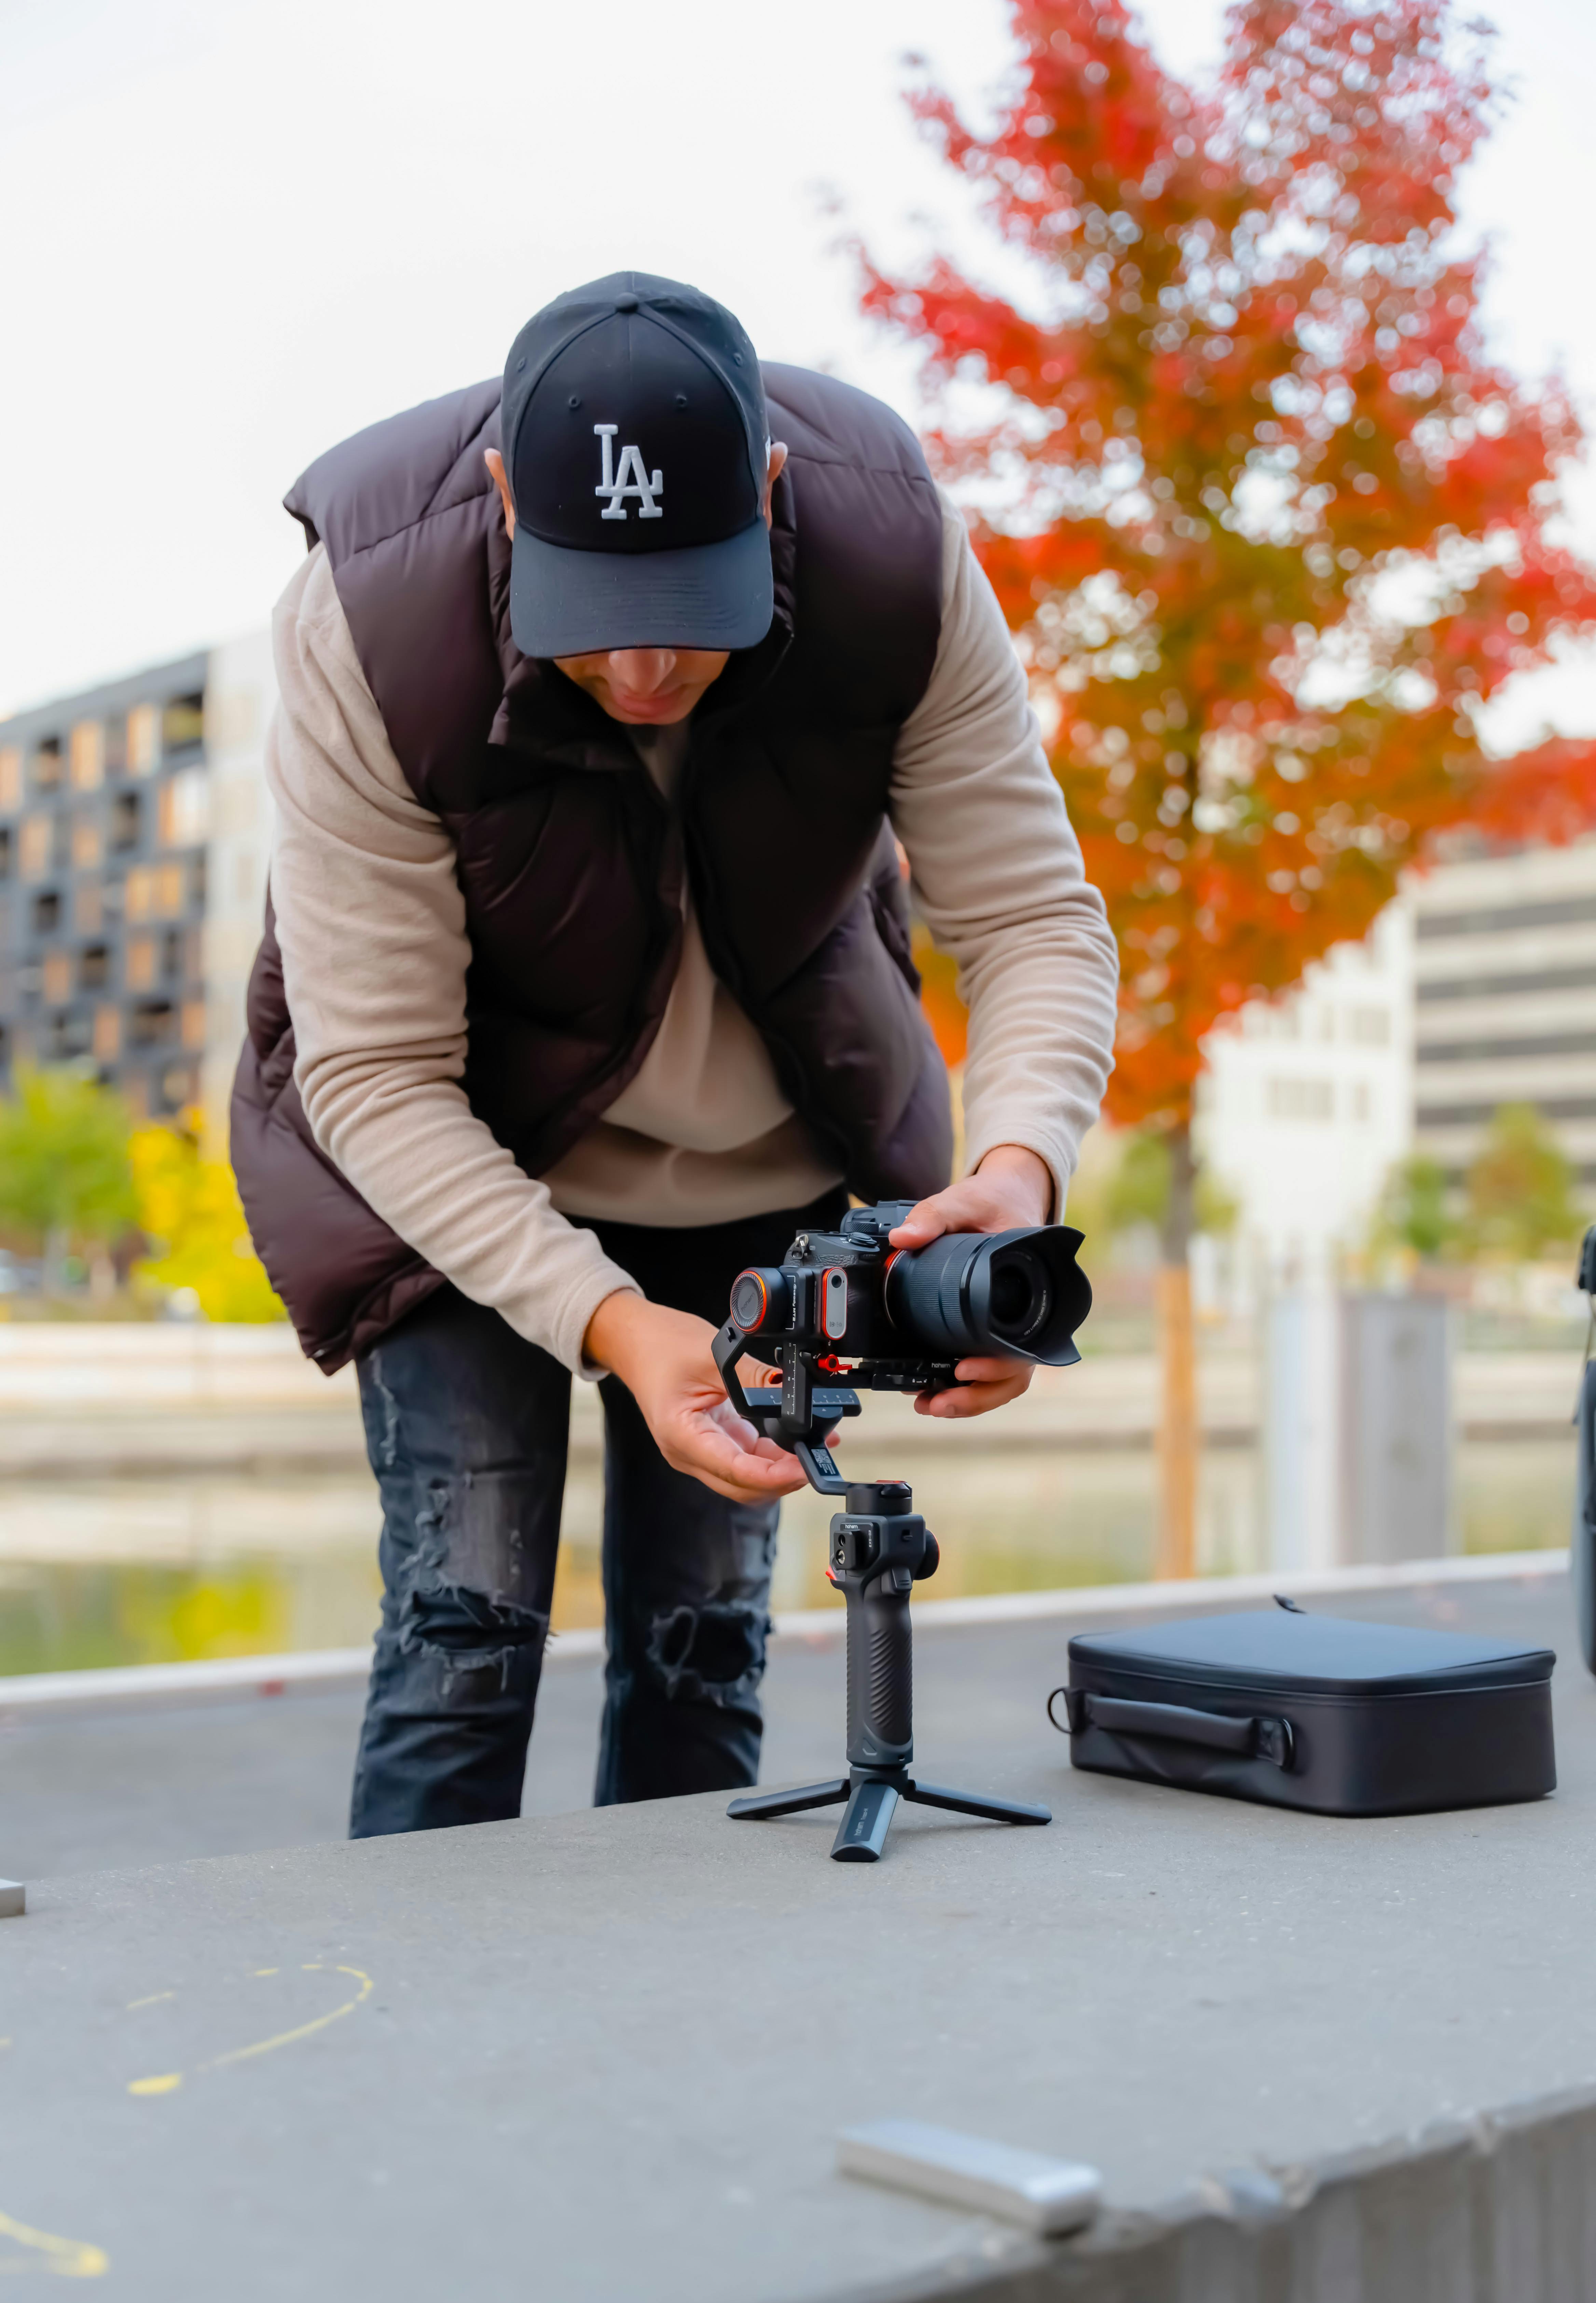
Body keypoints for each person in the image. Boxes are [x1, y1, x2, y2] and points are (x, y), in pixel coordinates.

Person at [232, 270, 1118, 1837]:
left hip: (763, 1170)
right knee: (462, 1638)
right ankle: (422, 2060)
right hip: (462, 1166)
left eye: (688, 622)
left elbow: (1035, 917)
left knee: (705, 1655)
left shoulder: (893, 556)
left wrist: (1016, 1167)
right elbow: (367, 1074)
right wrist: (612, 1323)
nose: (644, 680)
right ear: (506, 500)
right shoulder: (368, 614)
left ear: (769, 497)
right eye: (598, 628)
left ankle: (686, 2057)